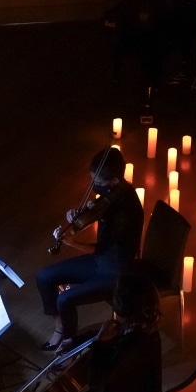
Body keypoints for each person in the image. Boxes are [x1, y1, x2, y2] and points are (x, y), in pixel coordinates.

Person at [36, 146, 143, 353]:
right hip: (100, 263)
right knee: (44, 276)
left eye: (99, 183)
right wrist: (74, 216)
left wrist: (71, 242)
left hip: (115, 272)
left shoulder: (125, 211)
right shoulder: (111, 195)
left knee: (65, 298)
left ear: (114, 181)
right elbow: (97, 211)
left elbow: (99, 249)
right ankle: (59, 329)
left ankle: (69, 345)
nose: (94, 186)